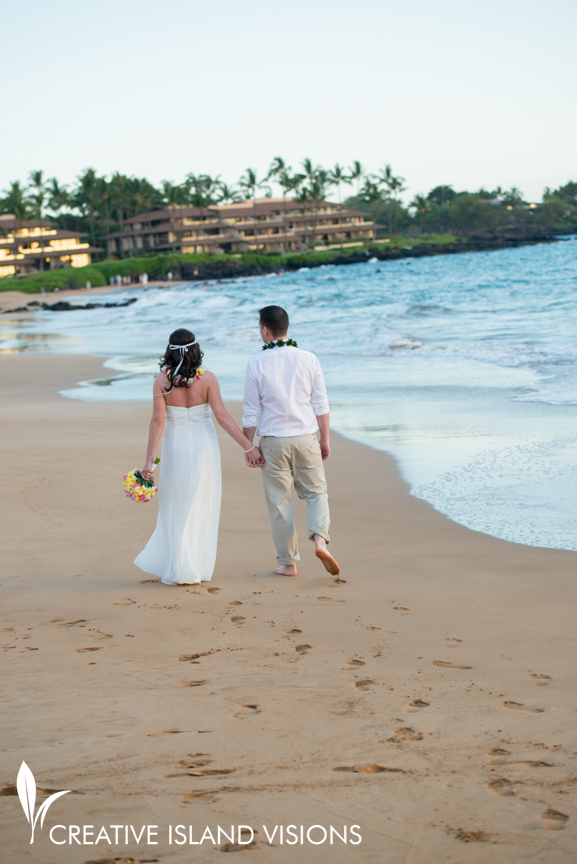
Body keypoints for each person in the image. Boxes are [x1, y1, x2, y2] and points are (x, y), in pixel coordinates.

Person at [134, 328, 264, 585]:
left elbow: (158, 421)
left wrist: (149, 461)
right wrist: (249, 447)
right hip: (204, 447)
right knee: (202, 503)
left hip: (175, 447)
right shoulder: (208, 379)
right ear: (195, 350)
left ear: (169, 351)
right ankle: (193, 566)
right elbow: (222, 417)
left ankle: (179, 565)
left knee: (176, 503)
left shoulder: (161, 381)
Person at [242, 305, 340, 577]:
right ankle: (320, 541)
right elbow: (320, 403)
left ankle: (288, 563)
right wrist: (325, 438)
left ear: (264, 329)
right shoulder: (309, 359)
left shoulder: (256, 363)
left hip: (273, 443)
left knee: (279, 503)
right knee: (316, 494)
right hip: (305, 438)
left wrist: (249, 446)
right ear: (286, 327)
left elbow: (251, 411)